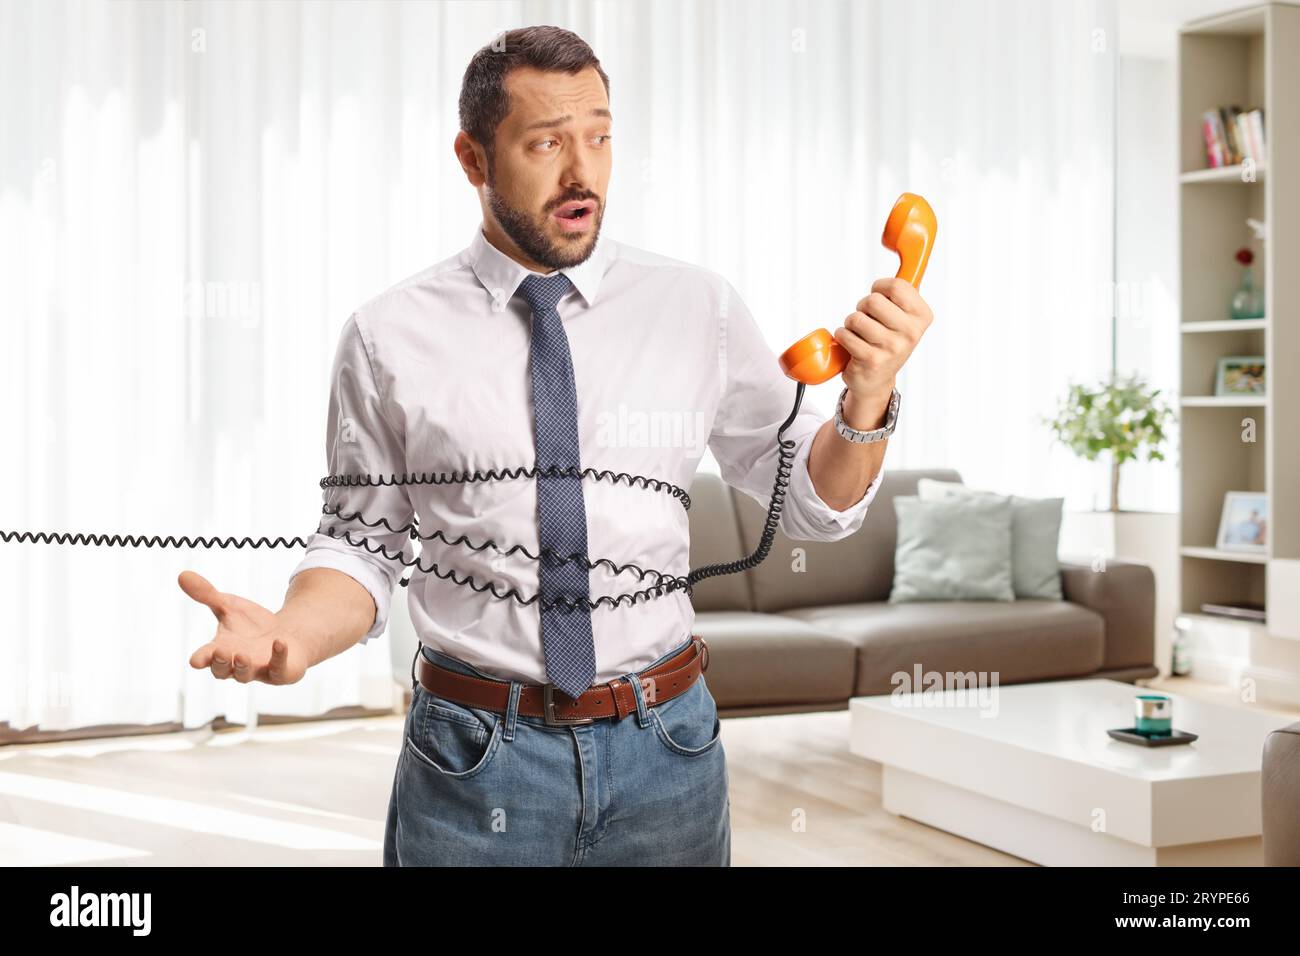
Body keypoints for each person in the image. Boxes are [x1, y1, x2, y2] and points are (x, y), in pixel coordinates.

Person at [177, 24, 934, 866]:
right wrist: (293, 634)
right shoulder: (387, 336)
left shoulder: (699, 309)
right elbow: (361, 548)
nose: (583, 175)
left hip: (670, 752)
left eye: (600, 137)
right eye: (546, 143)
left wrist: (866, 401)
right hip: (474, 760)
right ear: (473, 159)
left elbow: (814, 510)